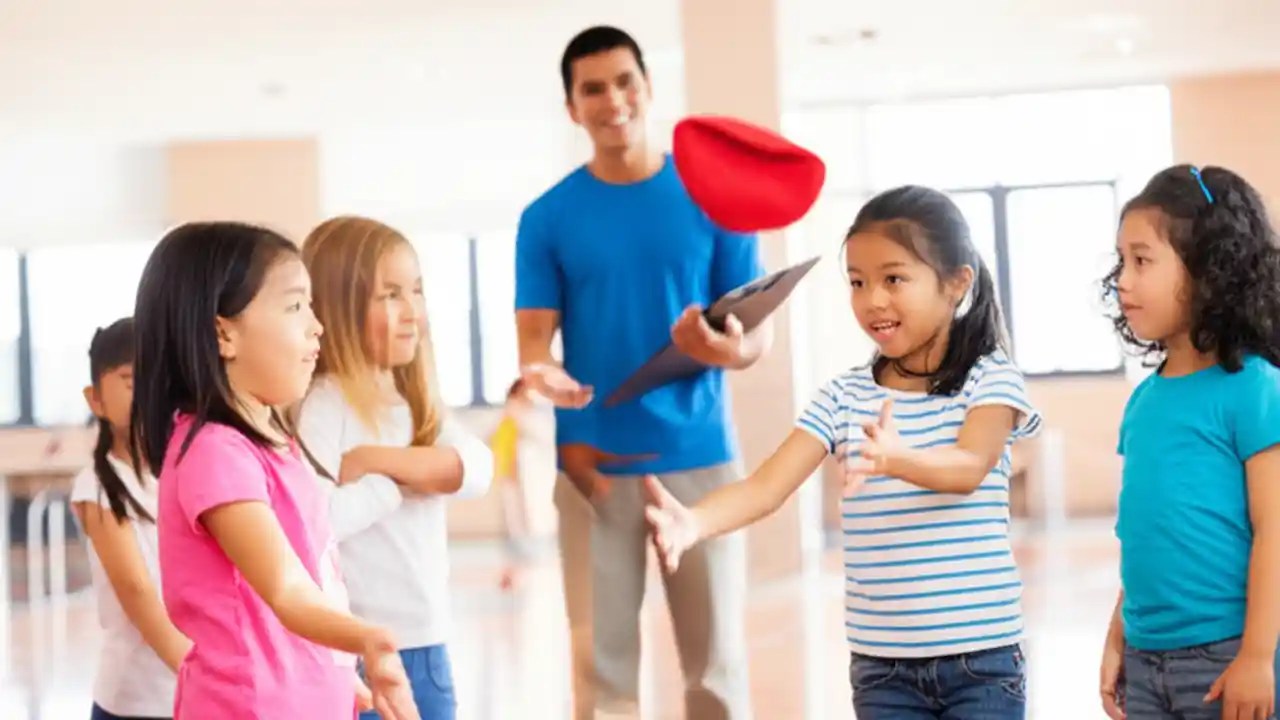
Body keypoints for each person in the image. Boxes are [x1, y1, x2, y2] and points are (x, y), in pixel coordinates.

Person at [647, 186, 1042, 719]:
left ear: (956, 283)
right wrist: (692, 522)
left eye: (893, 279)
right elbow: (766, 487)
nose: (873, 299)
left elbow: (970, 466)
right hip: (884, 670)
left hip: (981, 663)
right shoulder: (843, 397)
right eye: (858, 282)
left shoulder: (989, 379)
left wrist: (898, 459)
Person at [514, 24, 771, 720]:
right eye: (591, 89)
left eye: (624, 81)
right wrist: (544, 377)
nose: (612, 99)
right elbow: (533, 345)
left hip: (701, 460)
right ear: (572, 107)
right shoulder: (546, 219)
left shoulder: (714, 199)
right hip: (592, 466)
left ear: (648, 87)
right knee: (602, 675)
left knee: (717, 668)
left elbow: (756, 338)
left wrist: (727, 350)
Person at [130, 220, 419, 719]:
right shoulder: (214, 452)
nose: (317, 326)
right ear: (224, 332)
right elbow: (285, 589)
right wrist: (366, 636)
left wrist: (332, 668)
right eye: (293, 306)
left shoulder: (270, 444)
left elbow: (311, 578)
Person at [1098, 165, 1280, 720]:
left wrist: (1255, 656)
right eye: (1121, 261)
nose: (1123, 279)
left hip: (1226, 656)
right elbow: (1144, 538)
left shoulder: (1254, 389)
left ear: (1210, 270)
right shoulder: (1144, 402)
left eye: (1143, 260)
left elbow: (1275, 528)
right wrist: (1117, 635)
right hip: (1147, 658)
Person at [295, 215, 494, 720]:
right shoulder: (327, 402)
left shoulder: (413, 401)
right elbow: (317, 521)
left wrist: (370, 463)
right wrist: (399, 484)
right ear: (340, 308)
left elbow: (474, 469)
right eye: (390, 295)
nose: (413, 312)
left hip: (429, 646)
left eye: (417, 291)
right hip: (360, 653)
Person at [71, 317, 189, 720]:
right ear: (95, 399)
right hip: (137, 701)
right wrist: (197, 674)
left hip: (192, 693)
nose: (148, 392)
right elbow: (136, 591)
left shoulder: (185, 472)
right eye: (129, 379)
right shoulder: (98, 485)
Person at [490, 378, 536, 591]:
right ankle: (510, 574)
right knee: (514, 528)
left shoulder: (516, 414)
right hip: (510, 478)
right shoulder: (513, 413)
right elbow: (507, 448)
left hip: (513, 478)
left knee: (518, 528)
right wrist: (512, 475)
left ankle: (513, 573)